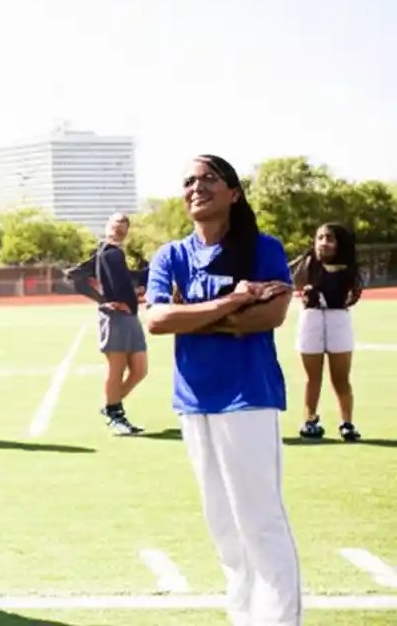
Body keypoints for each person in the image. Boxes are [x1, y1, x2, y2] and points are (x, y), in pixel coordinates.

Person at [144, 154, 302, 626]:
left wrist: (192, 317)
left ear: (234, 193)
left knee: (260, 520)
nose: (197, 187)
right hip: (194, 400)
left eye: (209, 179)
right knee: (223, 526)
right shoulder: (171, 256)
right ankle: (245, 616)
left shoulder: (263, 249)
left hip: (247, 395)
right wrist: (232, 302)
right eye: (189, 181)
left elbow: (270, 315)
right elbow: (157, 319)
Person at [65, 213, 149, 436]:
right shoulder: (105, 252)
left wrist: (136, 292)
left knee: (140, 370)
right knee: (116, 369)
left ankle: (110, 406)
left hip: (130, 315)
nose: (119, 228)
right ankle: (115, 414)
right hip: (114, 317)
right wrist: (103, 300)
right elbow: (74, 277)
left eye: (123, 225)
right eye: (115, 224)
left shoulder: (118, 253)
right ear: (107, 227)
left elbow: (125, 280)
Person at [291, 222, 363, 441]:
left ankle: (347, 423)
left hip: (338, 319)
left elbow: (353, 294)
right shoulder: (308, 263)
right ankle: (310, 420)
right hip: (311, 318)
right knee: (312, 377)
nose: (323, 243)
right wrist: (306, 286)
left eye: (329, 238)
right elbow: (295, 283)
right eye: (320, 238)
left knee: (340, 378)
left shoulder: (348, 269)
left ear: (340, 243)